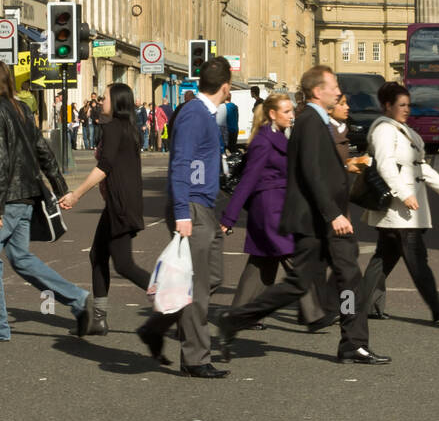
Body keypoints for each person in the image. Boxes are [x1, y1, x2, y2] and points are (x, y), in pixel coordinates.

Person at [216, 64, 390, 367]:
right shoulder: (310, 121)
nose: (338, 91)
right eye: (334, 85)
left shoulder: (317, 121)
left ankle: (350, 340)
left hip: (320, 219)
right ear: (318, 91)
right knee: (329, 280)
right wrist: (334, 213)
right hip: (319, 221)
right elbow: (311, 173)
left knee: (330, 279)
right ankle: (351, 341)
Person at [0, 59, 94, 342]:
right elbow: (43, 150)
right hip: (29, 195)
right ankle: (77, 299)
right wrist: (60, 187)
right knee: (21, 258)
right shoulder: (22, 108)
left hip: (7, 198)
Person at [138, 58, 232, 376]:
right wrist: (182, 213)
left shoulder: (204, 114)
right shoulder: (195, 114)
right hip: (191, 206)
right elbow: (181, 162)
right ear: (225, 86)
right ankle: (196, 359)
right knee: (198, 287)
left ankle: (157, 325)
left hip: (204, 205)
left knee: (213, 277)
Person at [219, 93, 327, 326]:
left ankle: (237, 314)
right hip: (270, 210)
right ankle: (313, 313)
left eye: (291, 111)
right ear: (272, 114)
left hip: (277, 205)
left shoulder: (276, 135)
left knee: (262, 263)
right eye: (286, 112)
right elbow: (248, 181)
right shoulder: (263, 141)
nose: (292, 115)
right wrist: (229, 216)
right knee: (293, 258)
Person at [358, 82, 439, 324]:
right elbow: (384, 165)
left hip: (405, 210)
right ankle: (437, 306)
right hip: (398, 209)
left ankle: (353, 306)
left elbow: (420, 165)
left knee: (382, 260)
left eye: (408, 105)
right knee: (416, 257)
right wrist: (404, 194)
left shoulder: (404, 131)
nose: (407, 109)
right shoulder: (384, 130)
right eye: (401, 105)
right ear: (387, 106)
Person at [60, 83, 149, 333]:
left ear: (118, 101)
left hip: (120, 204)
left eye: (106, 97)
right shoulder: (127, 128)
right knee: (97, 255)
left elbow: (105, 166)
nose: (101, 101)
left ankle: (171, 301)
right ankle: (99, 320)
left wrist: (76, 194)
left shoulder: (112, 129)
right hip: (120, 202)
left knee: (124, 265)